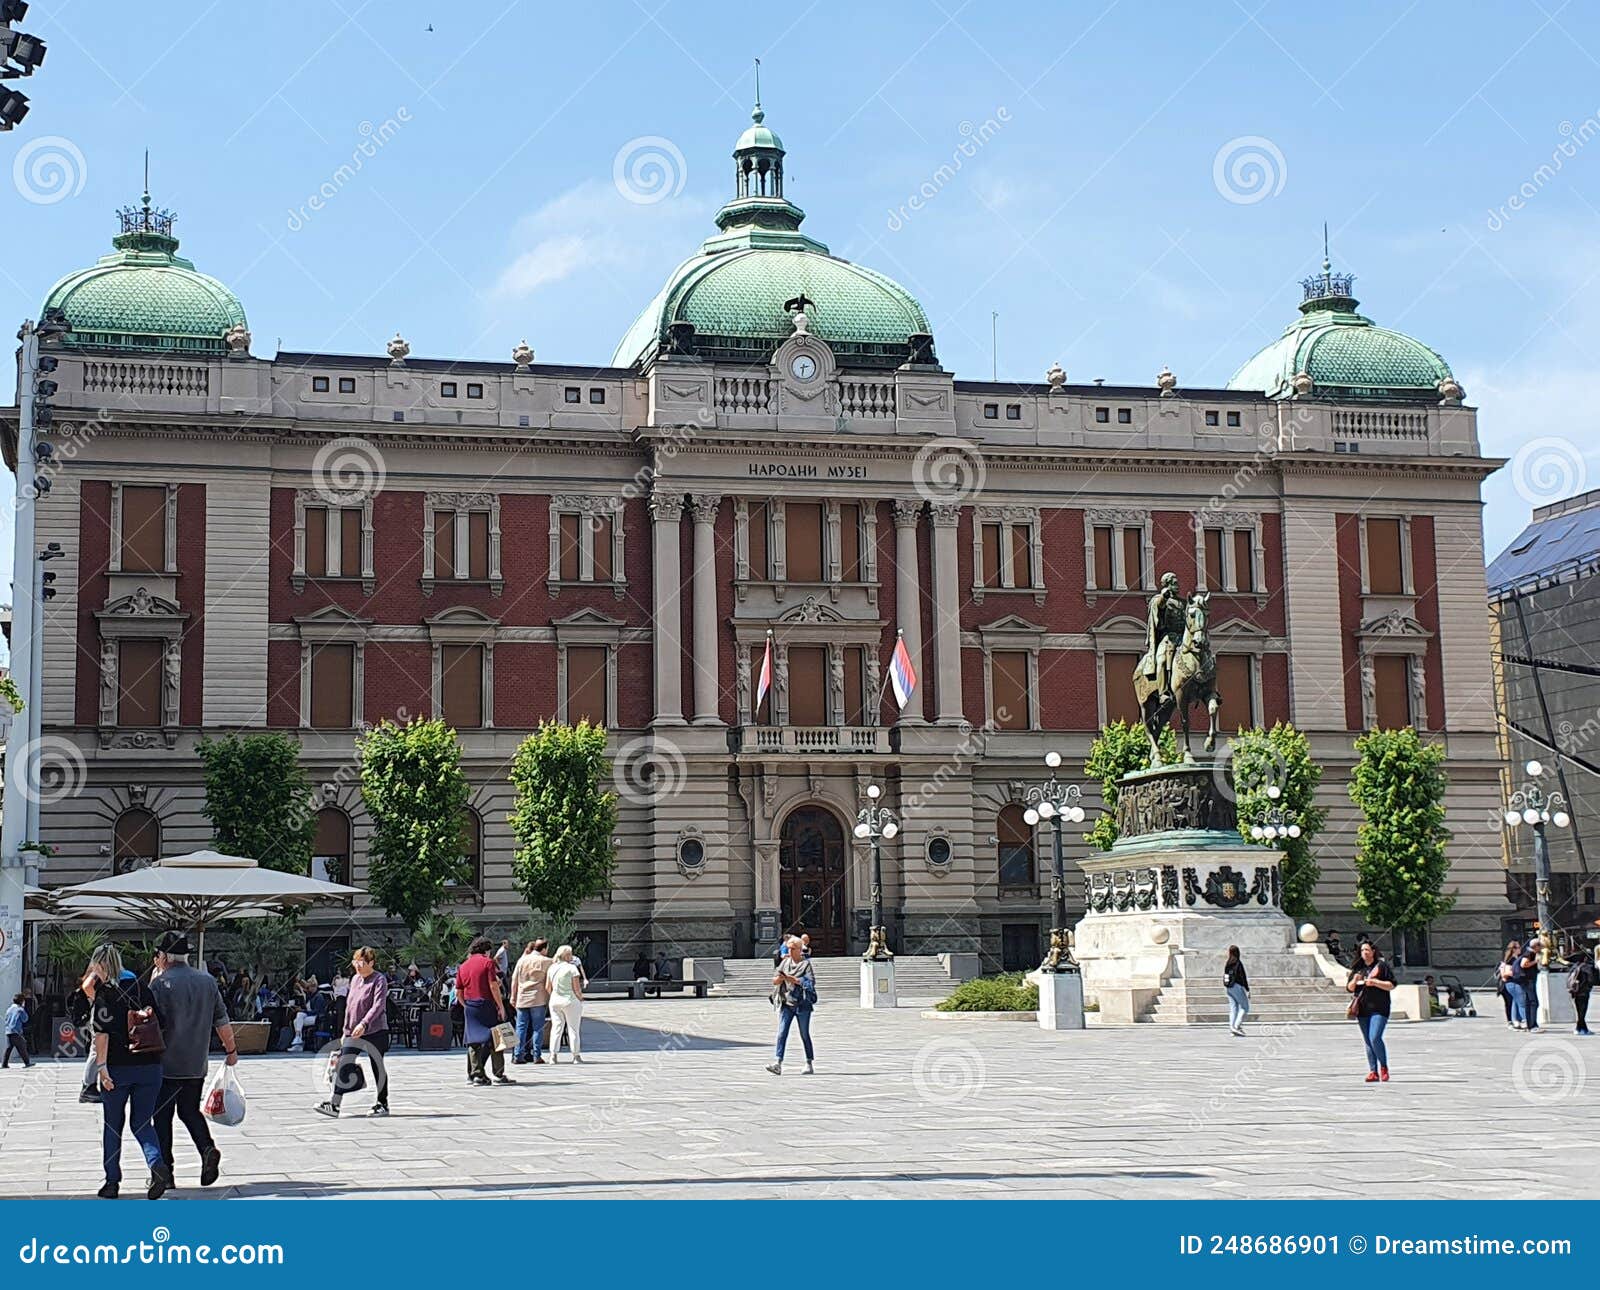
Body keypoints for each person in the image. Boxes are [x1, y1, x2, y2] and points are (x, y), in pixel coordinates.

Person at [148, 930, 236, 1188]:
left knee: (162, 1117)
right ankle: (207, 1148)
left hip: (165, 1064)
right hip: (196, 1063)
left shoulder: (160, 984)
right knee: (189, 1110)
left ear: (163, 956)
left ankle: (167, 1173)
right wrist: (231, 1051)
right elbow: (222, 1021)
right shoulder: (208, 982)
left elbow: (150, 1022)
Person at [87, 944, 171, 1199]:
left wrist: (101, 1069)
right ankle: (156, 1164)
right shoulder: (141, 988)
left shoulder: (105, 994)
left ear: (99, 966)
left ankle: (112, 1182)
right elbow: (162, 1023)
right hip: (150, 1066)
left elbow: (101, 1035)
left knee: (113, 1126)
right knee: (142, 1123)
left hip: (118, 1069)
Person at [316, 946, 391, 1118]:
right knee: (344, 1061)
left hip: (375, 1030)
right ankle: (334, 1104)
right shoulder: (355, 979)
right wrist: (346, 1030)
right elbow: (350, 1006)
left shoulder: (379, 980)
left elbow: (378, 1006)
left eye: (362, 963)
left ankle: (382, 1103)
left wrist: (364, 1023)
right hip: (353, 1031)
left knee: (377, 1065)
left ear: (371, 963)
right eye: (355, 962)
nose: (358, 966)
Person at [457, 937, 513, 1087]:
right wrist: (500, 1006)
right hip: (487, 1004)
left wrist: (466, 1005)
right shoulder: (487, 962)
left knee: (473, 1040)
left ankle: (476, 1075)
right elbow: (493, 986)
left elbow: (459, 991)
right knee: (496, 1037)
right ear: (487, 950)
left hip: (470, 1005)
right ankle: (498, 1073)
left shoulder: (463, 965)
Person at [1346, 940, 1396, 1083]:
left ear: (1373, 951)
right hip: (1362, 1009)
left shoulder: (1381, 966)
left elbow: (1391, 985)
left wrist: (1375, 983)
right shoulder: (1358, 969)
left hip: (1380, 1008)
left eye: (1367, 950)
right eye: (1362, 951)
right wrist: (1354, 981)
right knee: (1368, 1040)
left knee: (1375, 1037)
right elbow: (1349, 988)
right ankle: (1373, 1071)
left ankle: (1384, 1067)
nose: (1364, 953)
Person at [766, 937, 816, 1076]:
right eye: (788, 948)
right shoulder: (785, 963)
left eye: (793, 948)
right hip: (786, 1003)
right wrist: (781, 978)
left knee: (804, 1033)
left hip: (802, 1004)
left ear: (799, 950)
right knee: (782, 1033)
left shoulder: (805, 965)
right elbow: (774, 980)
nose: (790, 950)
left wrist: (794, 979)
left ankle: (809, 1062)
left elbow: (810, 982)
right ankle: (778, 1063)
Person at [510, 939, 552, 1065]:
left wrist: (513, 996)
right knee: (538, 1028)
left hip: (522, 998)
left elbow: (514, 979)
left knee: (520, 1027)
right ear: (544, 949)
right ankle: (536, 1055)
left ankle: (518, 1054)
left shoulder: (522, 960)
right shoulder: (547, 961)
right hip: (538, 998)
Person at [546, 945, 586, 1064]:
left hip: (555, 1001)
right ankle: (576, 1056)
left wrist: (554, 995)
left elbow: (548, 987)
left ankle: (553, 1056)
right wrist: (580, 998)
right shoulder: (572, 968)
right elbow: (576, 988)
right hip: (570, 1001)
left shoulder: (552, 968)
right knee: (573, 1029)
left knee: (556, 1028)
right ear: (567, 955)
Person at [289, 977, 326, 1051]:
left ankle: (298, 1039)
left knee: (298, 1020)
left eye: (311, 987)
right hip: (309, 1015)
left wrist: (303, 1011)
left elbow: (316, 1011)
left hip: (315, 1017)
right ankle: (298, 1039)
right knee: (297, 1019)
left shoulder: (319, 997)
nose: (310, 989)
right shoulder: (310, 996)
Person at [1568, 947, 1596, 1036]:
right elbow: (1591, 980)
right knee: (1582, 1011)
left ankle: (1582, 1028)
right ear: (1585, 958)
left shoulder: (1574, 966)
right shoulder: (1587, 967)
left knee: (1578, 1010)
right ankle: (1579, 1028)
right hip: (1584, 991)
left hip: (1575, 991)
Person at [1223, 946, 1250, 1037]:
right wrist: (1247, 989)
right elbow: (1243, 977)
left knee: (1233, 1008)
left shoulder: (1228, 963)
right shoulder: (1238, 963)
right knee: (1245, 1007)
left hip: (1228, 987)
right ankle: (1236, 1026)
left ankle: (1232, 1028)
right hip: (1237, 986)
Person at [2, 992, 31, 1068]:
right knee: (22, 1047)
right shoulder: (20, 1009)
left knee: (8, 1048)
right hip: (16, 1032)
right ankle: (27, 1063)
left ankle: (4, 1064)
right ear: (22, 1001)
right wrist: (24, 1008)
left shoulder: (9, 1009)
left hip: (8, 1031)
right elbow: (25, 1019)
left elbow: (6, 1019)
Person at [1498, 941, 1521, 1027]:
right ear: (1513, 949)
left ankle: (1513, 1020)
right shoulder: (1510, 960)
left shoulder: (1514, 958)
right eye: (1518, 947)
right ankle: (1511, 1020)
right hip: (1508, 984)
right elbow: (1505, 973)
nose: (1520, 949)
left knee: (1511, 1003)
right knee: (1510, 1003)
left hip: (1509, 983)